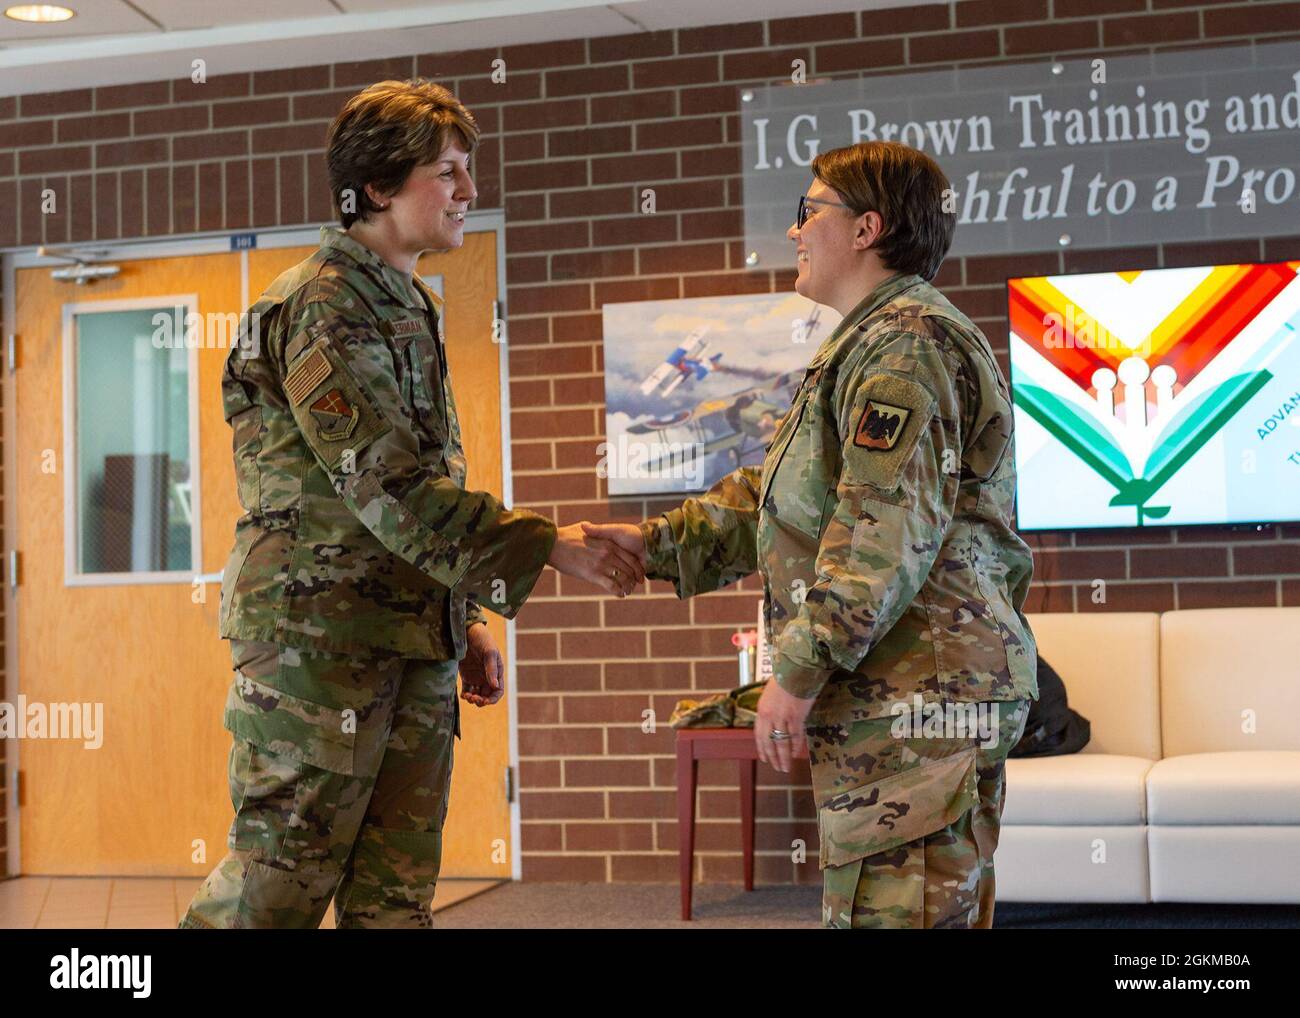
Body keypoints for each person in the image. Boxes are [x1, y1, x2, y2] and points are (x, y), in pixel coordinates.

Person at [180, 79, 642, 929]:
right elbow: (386, 487)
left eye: (468, 172)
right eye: (449, 172)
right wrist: (552, 546)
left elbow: (423, 484)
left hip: (403, 634)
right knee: (276, 888)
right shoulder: (321, 303)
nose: (469, 193)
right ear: (381, 187)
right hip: (317, 640)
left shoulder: (406, 302)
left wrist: (456, 619)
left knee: (394, 898)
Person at [587, 140, 1038, 929]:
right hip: (895, 693)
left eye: (808, 211)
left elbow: (881, 529)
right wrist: (654, 546)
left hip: (917, 701)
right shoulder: (864, 344)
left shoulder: (905, 343)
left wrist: (796, 671)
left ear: (866, 228)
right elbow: (782, 498)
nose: (794, 232)